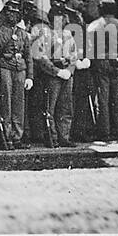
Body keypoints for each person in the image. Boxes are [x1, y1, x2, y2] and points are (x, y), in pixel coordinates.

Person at [88, 0, 118, 142]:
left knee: (102, 99)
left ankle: (104, 132)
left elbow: (89, 48)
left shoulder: (94, 26)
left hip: (101, 62)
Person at [33, 8, 78, 147]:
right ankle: (52, 137)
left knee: (65, 107)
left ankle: (64, 137)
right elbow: (41, 57)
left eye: (62, 17)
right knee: (50, 107)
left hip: (66, 74)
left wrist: (70, 70)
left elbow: (74, 55)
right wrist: (56, 71)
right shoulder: (44, 35)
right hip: (52, 75)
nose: (61, 20)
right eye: (57, 17)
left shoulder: (68, 35)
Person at [0, 1, 34, 148]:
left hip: (20, 70)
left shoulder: (23, 34)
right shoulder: (0, 32)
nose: (12, 15)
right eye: (9, 12)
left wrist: (30, 76)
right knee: (6, 103)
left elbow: (28, 56)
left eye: (15, 13)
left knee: (18, 104)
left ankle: (17, 137)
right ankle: (6, 137)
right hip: (5, 68)